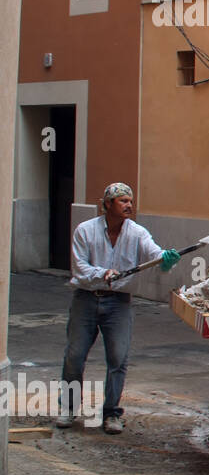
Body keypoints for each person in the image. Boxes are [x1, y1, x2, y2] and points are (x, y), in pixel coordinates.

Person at [57, 183, 178, 434]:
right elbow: (79, 268)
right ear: (108, 204)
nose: (129, 205)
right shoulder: (85, 231)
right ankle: (68, 409)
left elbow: (155, 254)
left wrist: (166, 259)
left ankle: (111, 413)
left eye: (130, 201)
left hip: (119, 303)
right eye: (123, 201)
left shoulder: (137, 233)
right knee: (74, 356)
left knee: (118, 359)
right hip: (86, 299)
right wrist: (104, 273)